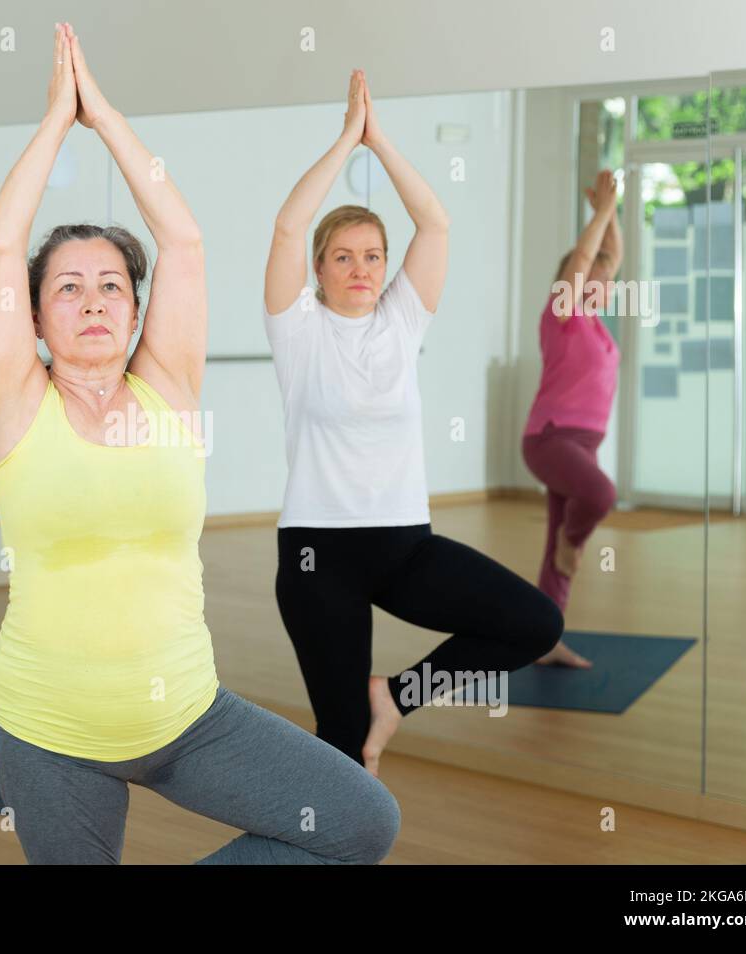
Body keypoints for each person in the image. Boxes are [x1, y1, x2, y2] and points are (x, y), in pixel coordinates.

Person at [0, 23, 400, 864]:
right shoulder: (14, 404)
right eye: (67, 287)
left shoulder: (165, 386)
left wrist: (111, 120)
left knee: (361, 821)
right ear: (34, 319)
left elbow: (185, 243)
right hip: (50, 727)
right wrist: (58, 120)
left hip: (190, 717)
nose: (93, 300)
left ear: (136, 311)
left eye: (110, 286)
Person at [265, 70, 564, 777]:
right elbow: (286, 224)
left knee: (534, 623)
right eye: (344, 257)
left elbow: (435, 222)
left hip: (405, 545)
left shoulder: (402, 319)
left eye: (373, 256)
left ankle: (396, 697)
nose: (361, 269)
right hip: (317, 555)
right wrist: (346, 141)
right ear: (320, 269)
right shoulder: (297, 328)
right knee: (342, 742)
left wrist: (381, 141)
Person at [521, 169, 623, 668]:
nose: (605, 284)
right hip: (550, 439)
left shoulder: (597, 323)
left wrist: (611, 209)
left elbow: (611, 257)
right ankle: (571, 541)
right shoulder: (561, 315)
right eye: (596, 280)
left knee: (555, 555)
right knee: (600, 496)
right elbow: (586, 260)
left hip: (581, 444)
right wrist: (599, 213)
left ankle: (545, 639)